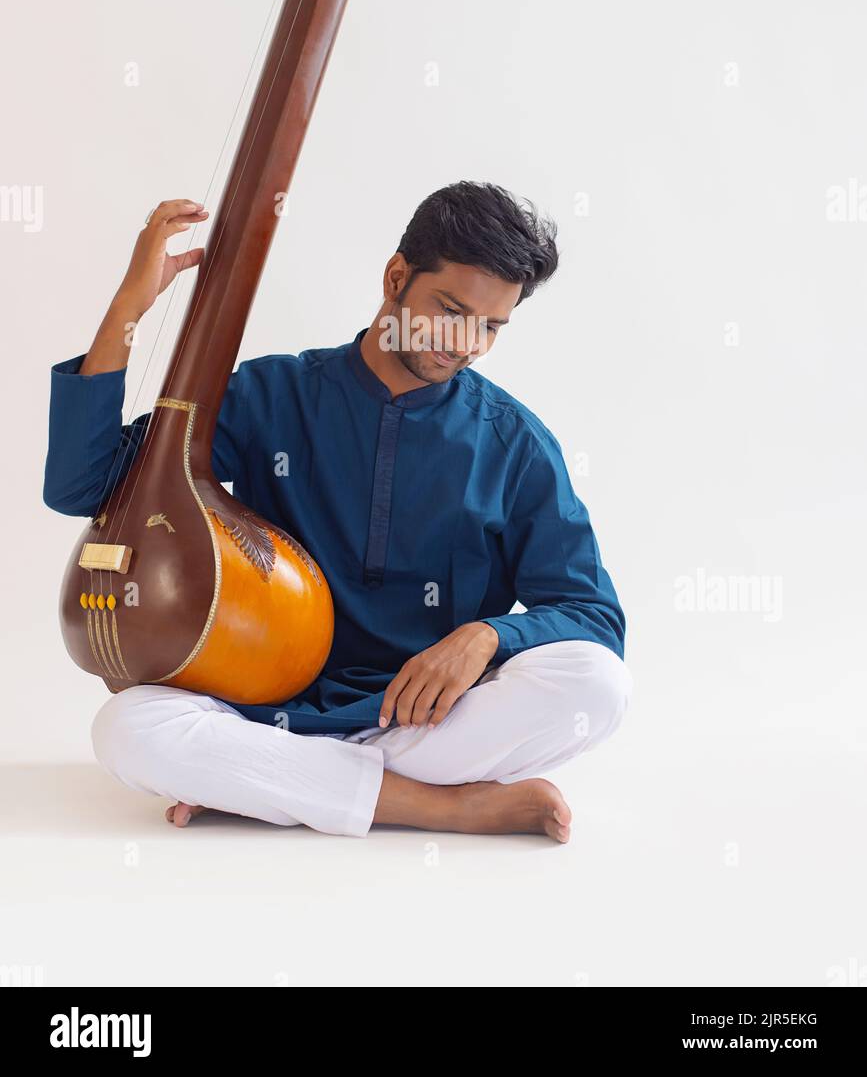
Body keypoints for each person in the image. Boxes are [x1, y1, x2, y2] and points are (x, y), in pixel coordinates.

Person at [44, 181, 632, 843]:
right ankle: (439, 806)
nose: (467, 344)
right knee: (128, 729)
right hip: (263, 708)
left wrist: (486, 637)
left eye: (491, 326)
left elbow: (593, 617)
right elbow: (82, 487)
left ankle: (272, 785)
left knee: (596, 685)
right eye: (450, 310)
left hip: (426, 721)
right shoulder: (272, 395)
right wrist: (131, 303)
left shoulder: (511, 441)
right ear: (396, 276)